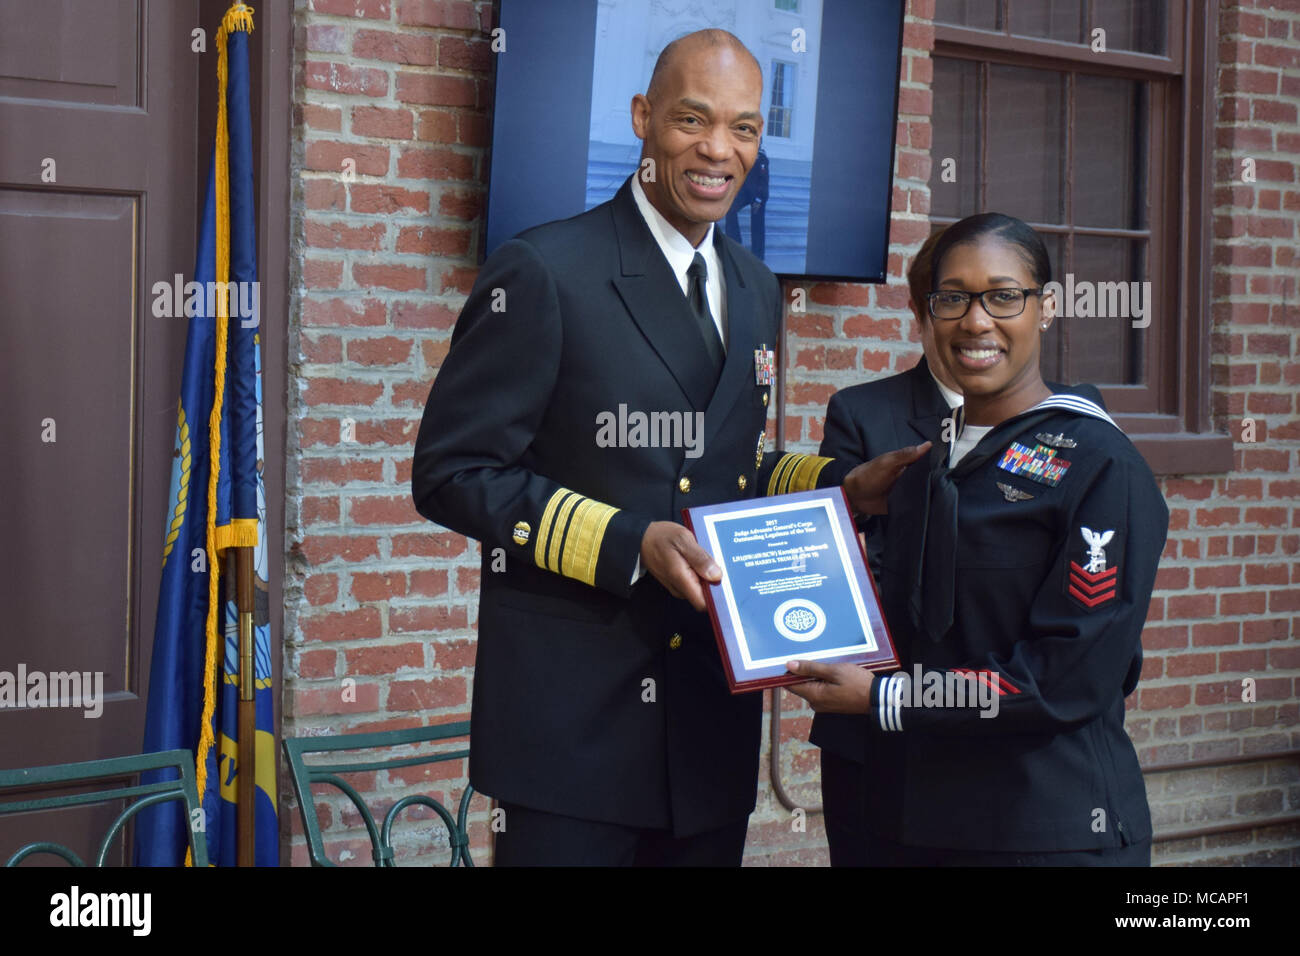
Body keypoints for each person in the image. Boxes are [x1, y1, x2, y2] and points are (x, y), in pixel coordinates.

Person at [411, 29, 922, 866]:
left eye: (746, 128)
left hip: (706, 726)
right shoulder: (545, 269)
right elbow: (453, 473)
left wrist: (843, 486)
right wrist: (630, 544)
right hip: (571, 734)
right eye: (693, 119)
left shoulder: (755, 287)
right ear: (644, 118)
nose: (719, 150)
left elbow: (732, 467)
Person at [787, 212, 1168, 865]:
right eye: (953, 298)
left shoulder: (1101, 465)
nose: (976, 320)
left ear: (1046, 308)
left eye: (1003, 295)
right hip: (910, 819)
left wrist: (886, 696)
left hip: (1040, 826)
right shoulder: (924, 464)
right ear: (928, 312)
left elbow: (1065, 679)